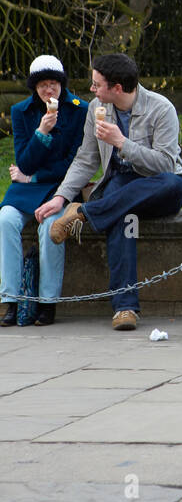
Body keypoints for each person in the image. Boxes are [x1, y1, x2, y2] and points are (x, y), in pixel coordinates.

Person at [35, 54, 182, 332]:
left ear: (117, 87)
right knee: (121, 214)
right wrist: (61, 197)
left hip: (159, 185)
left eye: (97, 85)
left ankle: (84, 213)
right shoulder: (97, 107)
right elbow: (86, 159)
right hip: (122, 185)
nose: (92, 90)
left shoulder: (161, 109)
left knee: (172, 182)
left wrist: (121, 142)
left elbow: (166, 164)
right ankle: (124, 307)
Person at [0, 56, 88, 327]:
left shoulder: (79, 109)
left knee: (50, 225)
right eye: (42, 86)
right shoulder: (21, 111)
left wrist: (33, 176)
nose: (49, 91)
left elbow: (74, 162)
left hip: (59, 187)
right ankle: (10, 299)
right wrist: (41, 131)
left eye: (53, 84)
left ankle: (48, 303)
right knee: (5, 220)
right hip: (24, 189)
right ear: (34, 88)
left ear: (62, 84)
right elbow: (23, 160)